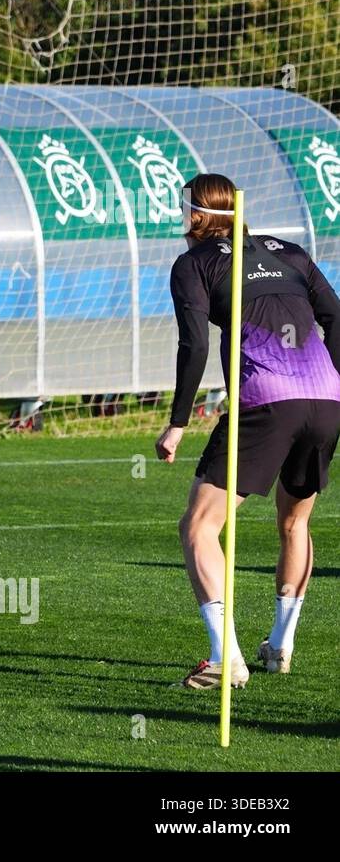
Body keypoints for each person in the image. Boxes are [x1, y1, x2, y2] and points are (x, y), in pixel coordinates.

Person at [155, 173, 340, 688]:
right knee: (295, 523)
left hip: (266, 401)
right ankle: (280, 644)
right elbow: (337, 317)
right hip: (327, 399)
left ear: (196, 213)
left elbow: (192, 345)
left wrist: (176, 423)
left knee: (198, 527)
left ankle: (225, 659)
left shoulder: (193, 264)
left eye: (182, 206)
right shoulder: (290, 252)